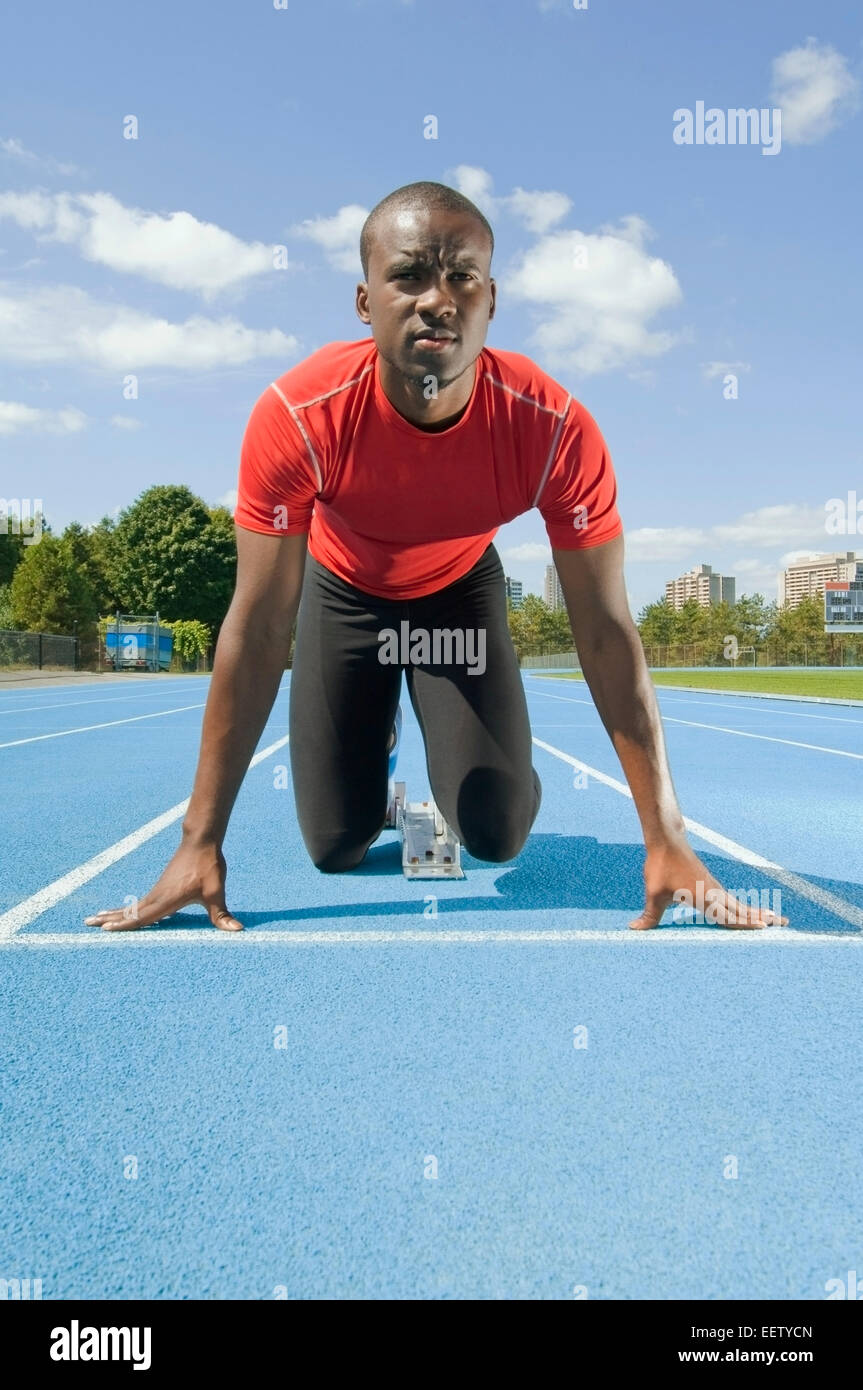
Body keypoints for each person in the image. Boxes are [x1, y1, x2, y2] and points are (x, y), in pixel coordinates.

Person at [85, 181, 786, 933]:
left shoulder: (553, 430)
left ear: (491, 297)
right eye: (409, 275)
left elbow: (606, 631)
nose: (437, 299)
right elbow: (257, 628)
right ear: (364, 301)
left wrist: (665, 838)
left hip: (457, 598)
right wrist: (200, 842)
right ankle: (375, 748)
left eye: (461, 277)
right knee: (335, 844)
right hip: (345, 593)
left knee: (496, 832)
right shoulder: (297, 417)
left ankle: (485, 757)